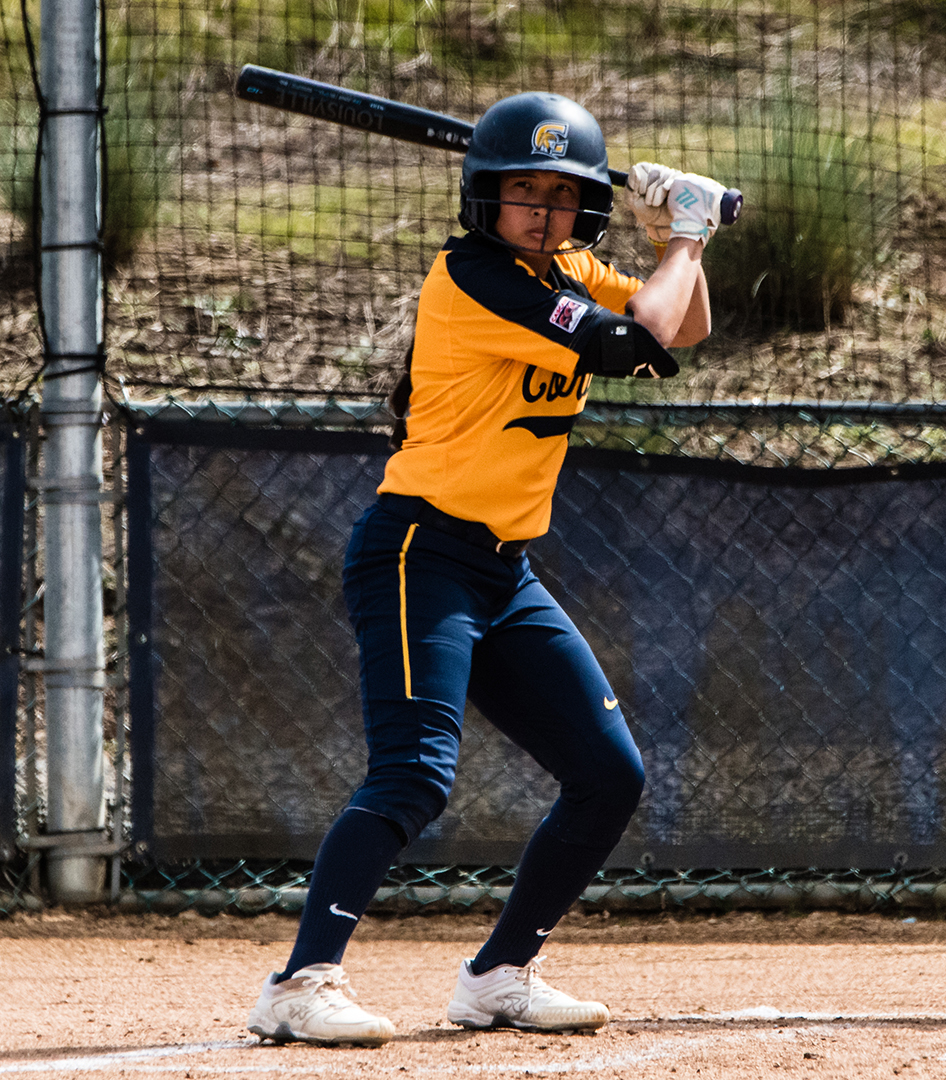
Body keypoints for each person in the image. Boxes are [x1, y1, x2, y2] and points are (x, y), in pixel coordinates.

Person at [243, 91, 725, 1047]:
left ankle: (500, 974)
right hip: (420, 551)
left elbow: (690, 325)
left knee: (607, 775)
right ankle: (298, 984)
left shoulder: (573, 264)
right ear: (484, 201)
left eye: (560, 195)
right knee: (413, 777)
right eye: (521, 192)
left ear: (585, 209)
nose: (540, 211)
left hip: (504, 568)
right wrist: (689, 236)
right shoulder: (477, 274)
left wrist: (681, 238)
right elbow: (639, 342)